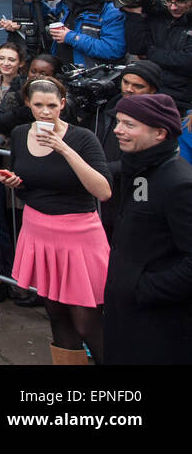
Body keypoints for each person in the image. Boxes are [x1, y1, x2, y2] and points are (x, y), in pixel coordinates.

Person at [0, 77, 112, 364]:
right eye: (38, 105)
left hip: (78, 235)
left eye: (52, 105)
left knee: (87, 322)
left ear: (62, 104)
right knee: (57, 316)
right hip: (38, 230)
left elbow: (103, 191)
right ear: (28, 104)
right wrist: (16, 183)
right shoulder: (20, 133)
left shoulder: (82, 138)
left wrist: (63, 148)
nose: (45, 112)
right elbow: (30, 184)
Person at [103, 93, 192, 364]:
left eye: (129, 124)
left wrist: (142, 288)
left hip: (158, 326)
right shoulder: (141, 169)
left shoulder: (179, 184)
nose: (117, 130)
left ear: (160, 133)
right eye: (118, 121)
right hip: (125, 315)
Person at [123, 0, 192, 112]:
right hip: (150, 93)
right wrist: (135, 15)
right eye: (168, 1)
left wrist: (150, 53)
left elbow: (187, 61)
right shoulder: (158, 17)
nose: (173, 7)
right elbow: (137, 48)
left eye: (180, 2)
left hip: (182, 99)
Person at [46, 0, 126, 69]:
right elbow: (47, 17)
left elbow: (113, 50)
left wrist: (70, 37)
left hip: (93, 75)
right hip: (62, 72)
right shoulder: (67, 2)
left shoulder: (113, 11)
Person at [0, 40, 27, 105]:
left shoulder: (27, 86)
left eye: (11, 60)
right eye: (1, 58)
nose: (5, 63)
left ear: (21, 63)